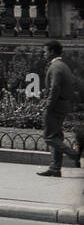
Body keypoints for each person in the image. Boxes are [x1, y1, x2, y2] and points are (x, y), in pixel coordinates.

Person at [38, 40, 82, 178]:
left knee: (49, 137)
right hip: (62, 104)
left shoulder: (55, 67)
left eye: (45, 51)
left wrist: (48, 104)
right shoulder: (63, 66)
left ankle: (74, 154)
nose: (44, 54)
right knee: (56, 136)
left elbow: (55, 87)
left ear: (51, 52)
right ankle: (55, 168)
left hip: (55, 106)